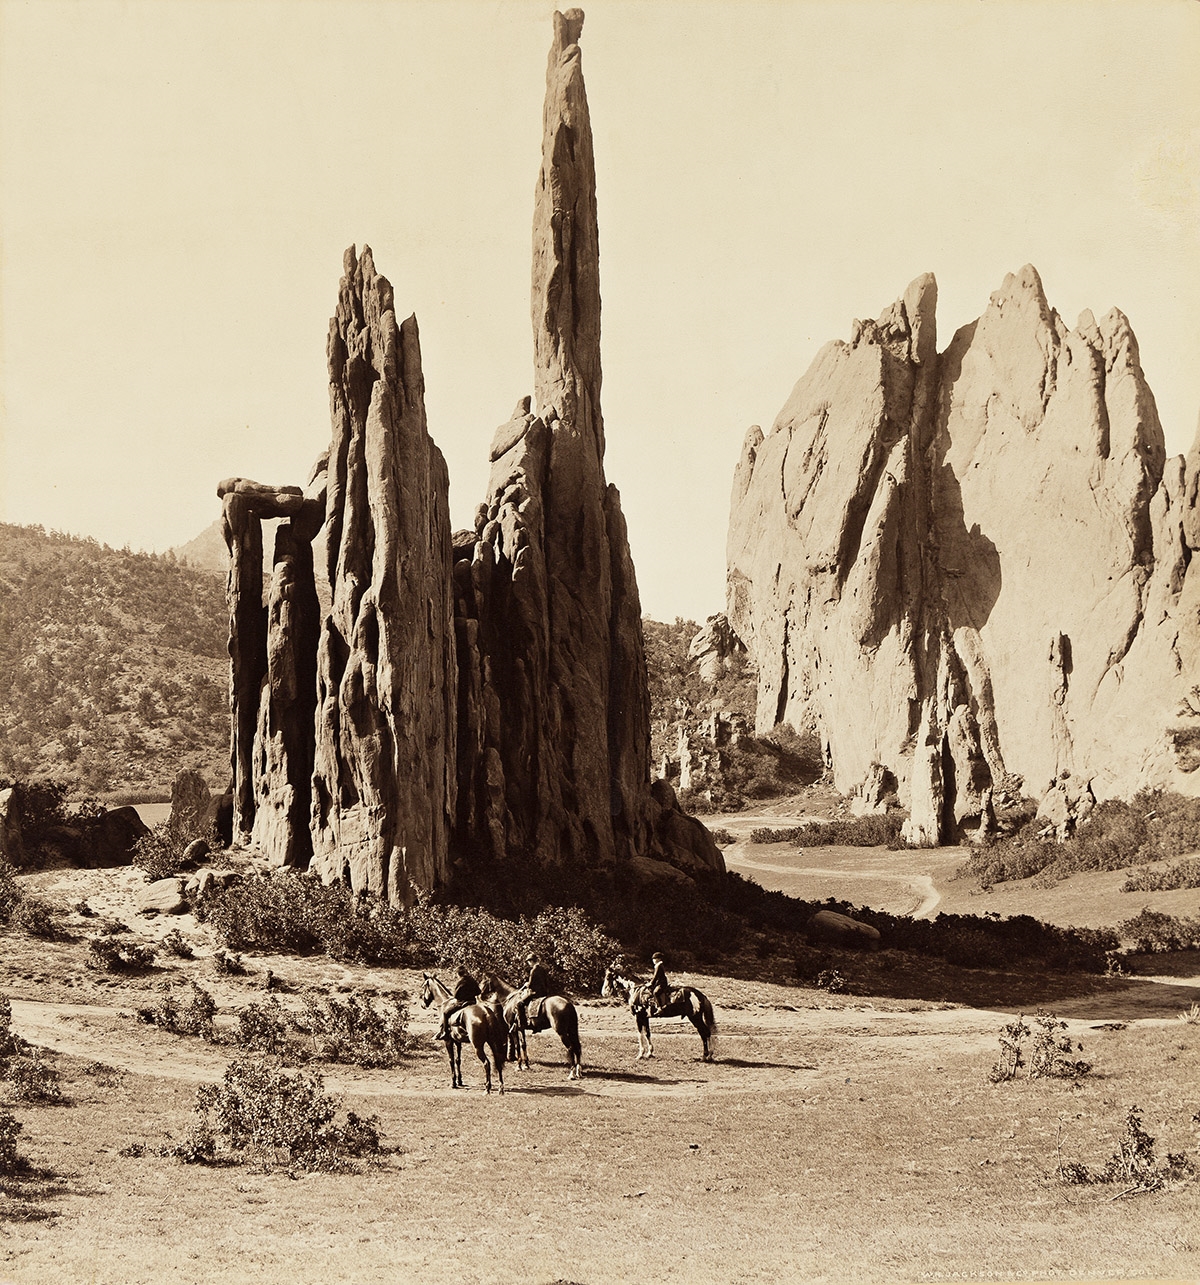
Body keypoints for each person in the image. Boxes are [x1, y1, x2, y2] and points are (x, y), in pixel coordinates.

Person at [435, 964, 481, 1041]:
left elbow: (456, 995)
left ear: (458, 974)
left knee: (445, 1013)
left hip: (462, 1003)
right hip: (473, 1002)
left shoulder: (460, 981)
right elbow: (478, 992)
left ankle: (445, 1032)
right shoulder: (472, 980)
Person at [516, 952, 551, 1030]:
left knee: (519, 1004)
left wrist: (526, 984)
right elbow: (546, 982)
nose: (529, 963)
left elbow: (531, 984)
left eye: (529, 961)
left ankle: (523, 1024)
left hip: (535, 993)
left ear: (531, 961)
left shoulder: (533, 970)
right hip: (544, 993)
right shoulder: (542, 969)